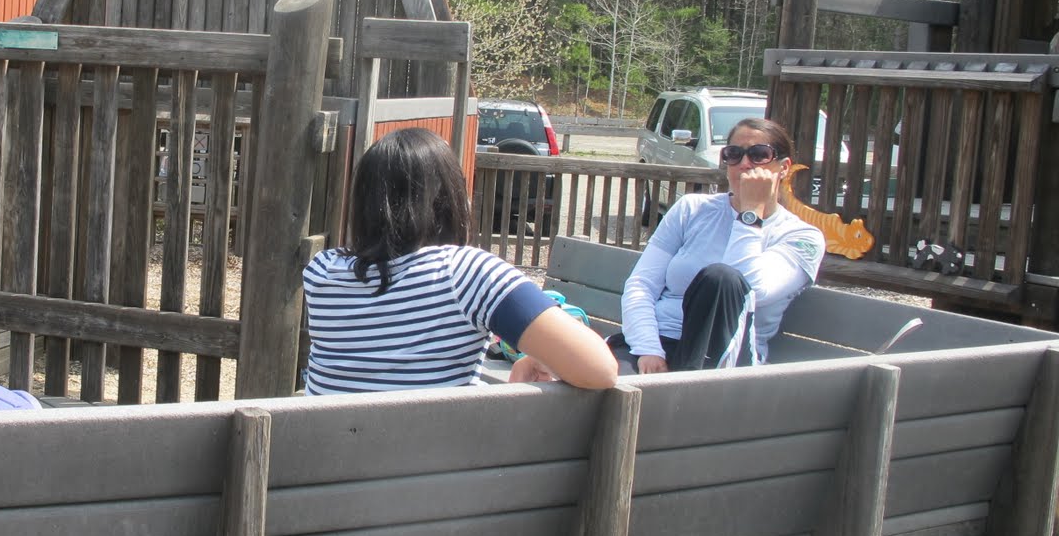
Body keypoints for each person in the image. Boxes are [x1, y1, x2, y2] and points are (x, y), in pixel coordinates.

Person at [302, 128, 617, 395]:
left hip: (323, 464)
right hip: (433, 464)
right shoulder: (466, 273)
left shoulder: (322, 272)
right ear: (449, 199)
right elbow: (600, 369)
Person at [616, 117, 823, 373]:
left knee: (721, 277)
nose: (745, 164)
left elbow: (747, 290)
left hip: (728, 357)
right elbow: (641, 284)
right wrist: (648, 349)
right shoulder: (691, 209)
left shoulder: (802, 237)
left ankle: (688, 392)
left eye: (759, 155)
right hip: (657, 342)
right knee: (598, 381)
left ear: (783, 167)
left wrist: (750, 214)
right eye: (733, 154)